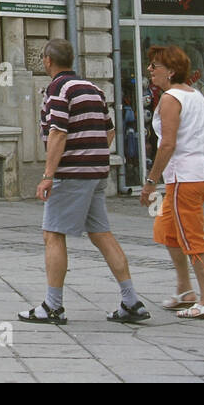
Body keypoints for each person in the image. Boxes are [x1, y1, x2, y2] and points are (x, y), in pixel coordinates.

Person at [18, 38, 149, 325]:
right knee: (101, 234)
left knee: (52, 234)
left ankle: (53, 306)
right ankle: (131, 301)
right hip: (96, 173)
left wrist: (48, 175)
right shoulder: (94, 89)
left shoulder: (57, 89)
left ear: (48, 61)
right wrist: (94, 154)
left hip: (71, 174)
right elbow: (109, 131)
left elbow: (58, 133)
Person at [140, 46, 204, 319]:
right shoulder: (196, 95)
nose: (150, 71)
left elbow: (167, 144)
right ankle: (185, 289)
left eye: (155, 66)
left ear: (171, 71)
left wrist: (149, 181)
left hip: (183, 177)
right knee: (167, 230)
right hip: (197, 173)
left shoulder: (170, 98)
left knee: (192, 238)